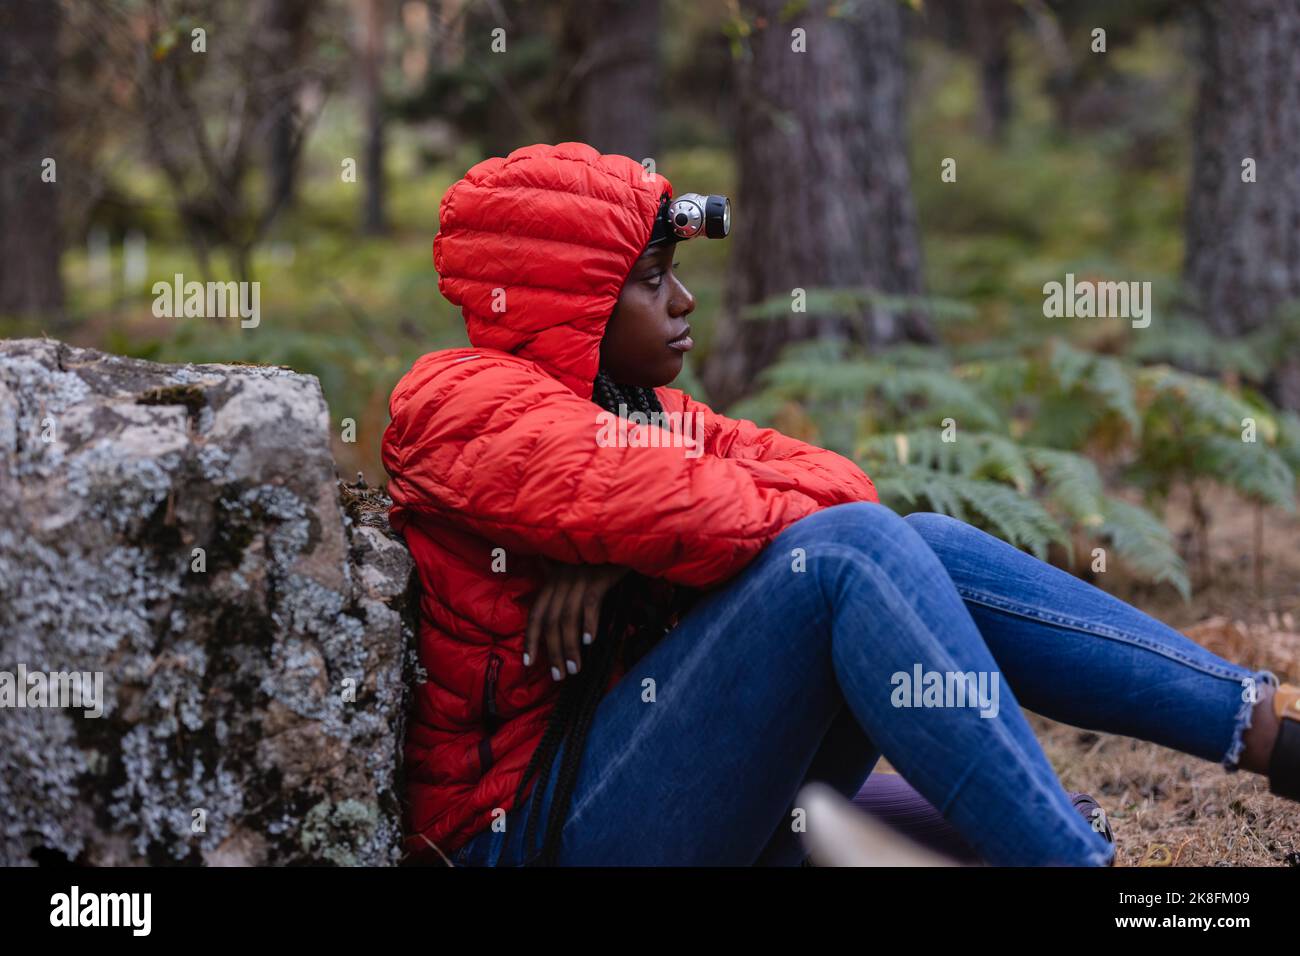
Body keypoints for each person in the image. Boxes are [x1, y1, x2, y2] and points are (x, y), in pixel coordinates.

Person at [381, 142, 1300, 867]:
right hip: (529, 838)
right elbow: (727, 517)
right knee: (849, 557)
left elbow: (845, 485)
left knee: (918, 540)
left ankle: (1276, 737)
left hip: (646, 784)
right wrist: (648, 534)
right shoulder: (463, 404)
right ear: (574, 303)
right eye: (653, 277)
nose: (685, 300)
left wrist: (622, 551)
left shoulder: (645, 413)